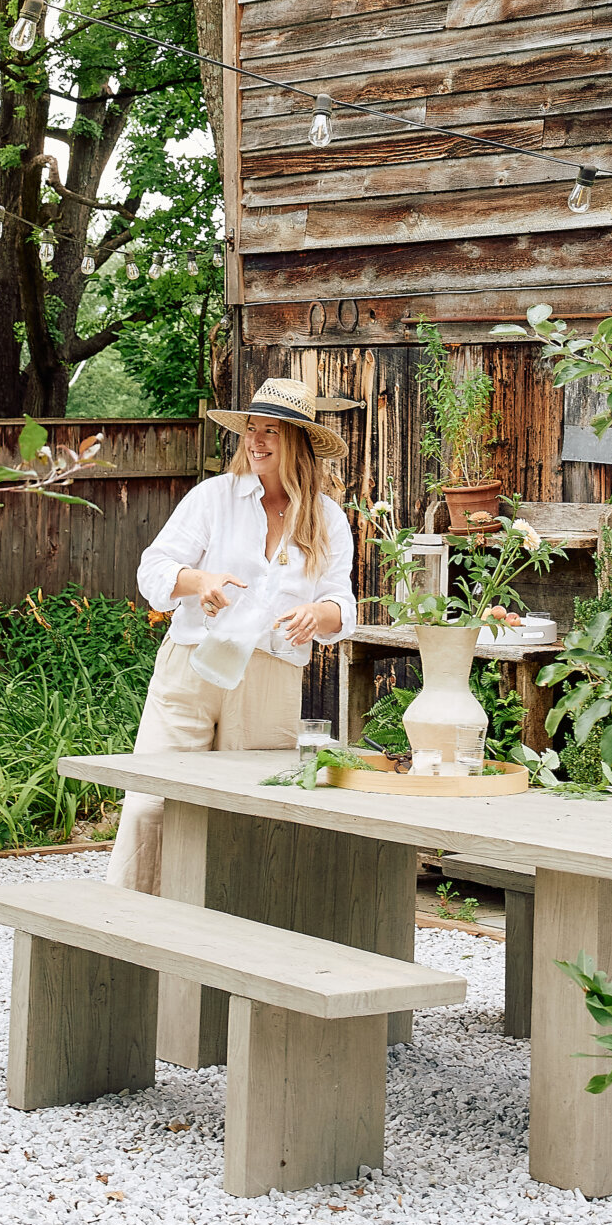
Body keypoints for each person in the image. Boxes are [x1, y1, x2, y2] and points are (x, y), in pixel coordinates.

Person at [107, 377, 356, 893]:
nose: (255, 441)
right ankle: (129, 922)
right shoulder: (213, 498)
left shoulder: (327, 518)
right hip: (191, 669)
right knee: (153, 804)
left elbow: (342, 603)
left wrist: (318, 613)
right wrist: (200, 581)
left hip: (270, 679)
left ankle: (231, 928)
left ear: (298, 442)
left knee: (253, 813)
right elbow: (154, 570)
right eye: (251, 429)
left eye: (271, 432)